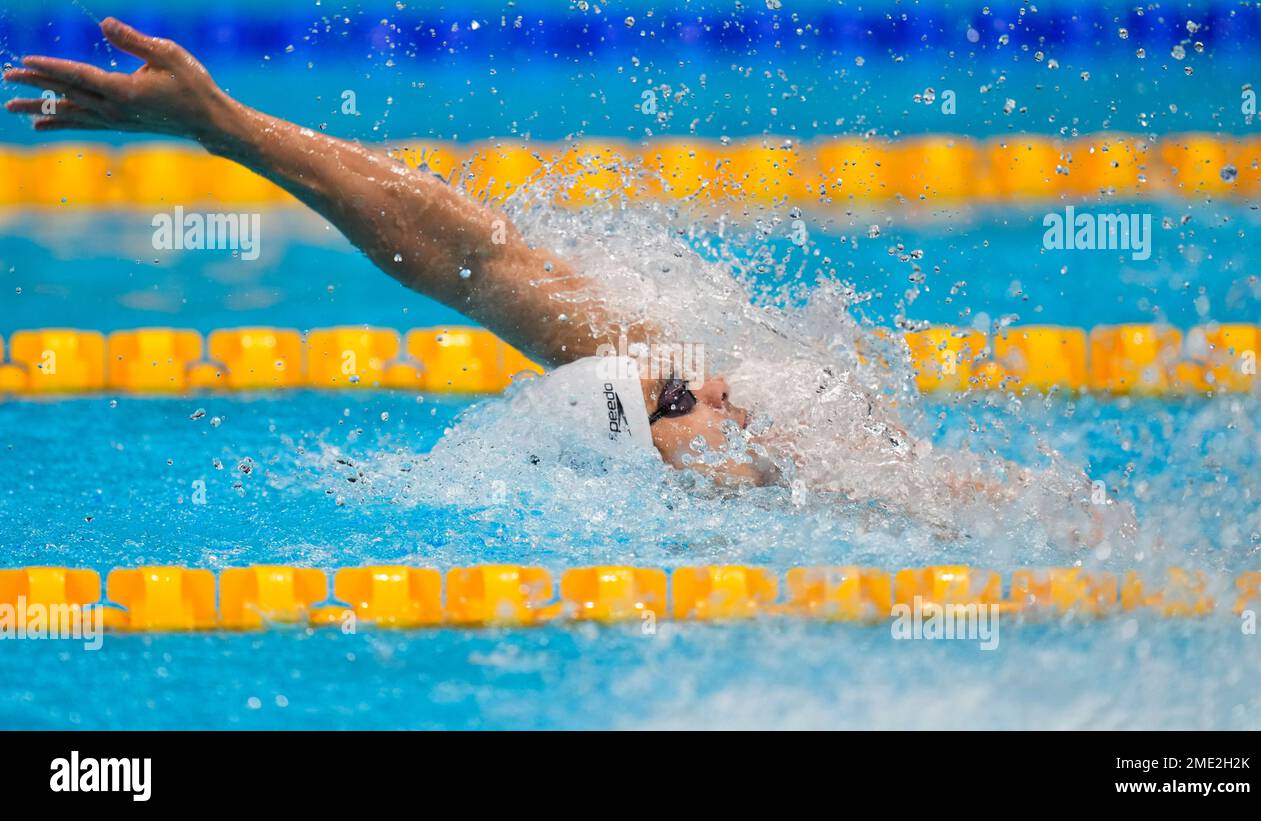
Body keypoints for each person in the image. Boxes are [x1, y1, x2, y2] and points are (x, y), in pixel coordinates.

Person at [4, 18, 1134, 546]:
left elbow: (475, 260)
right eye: (677, 405)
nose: (710, 385)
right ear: (646, 471)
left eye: (677, 383)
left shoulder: (707, 405)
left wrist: (230, 129)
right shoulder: (831, 523)